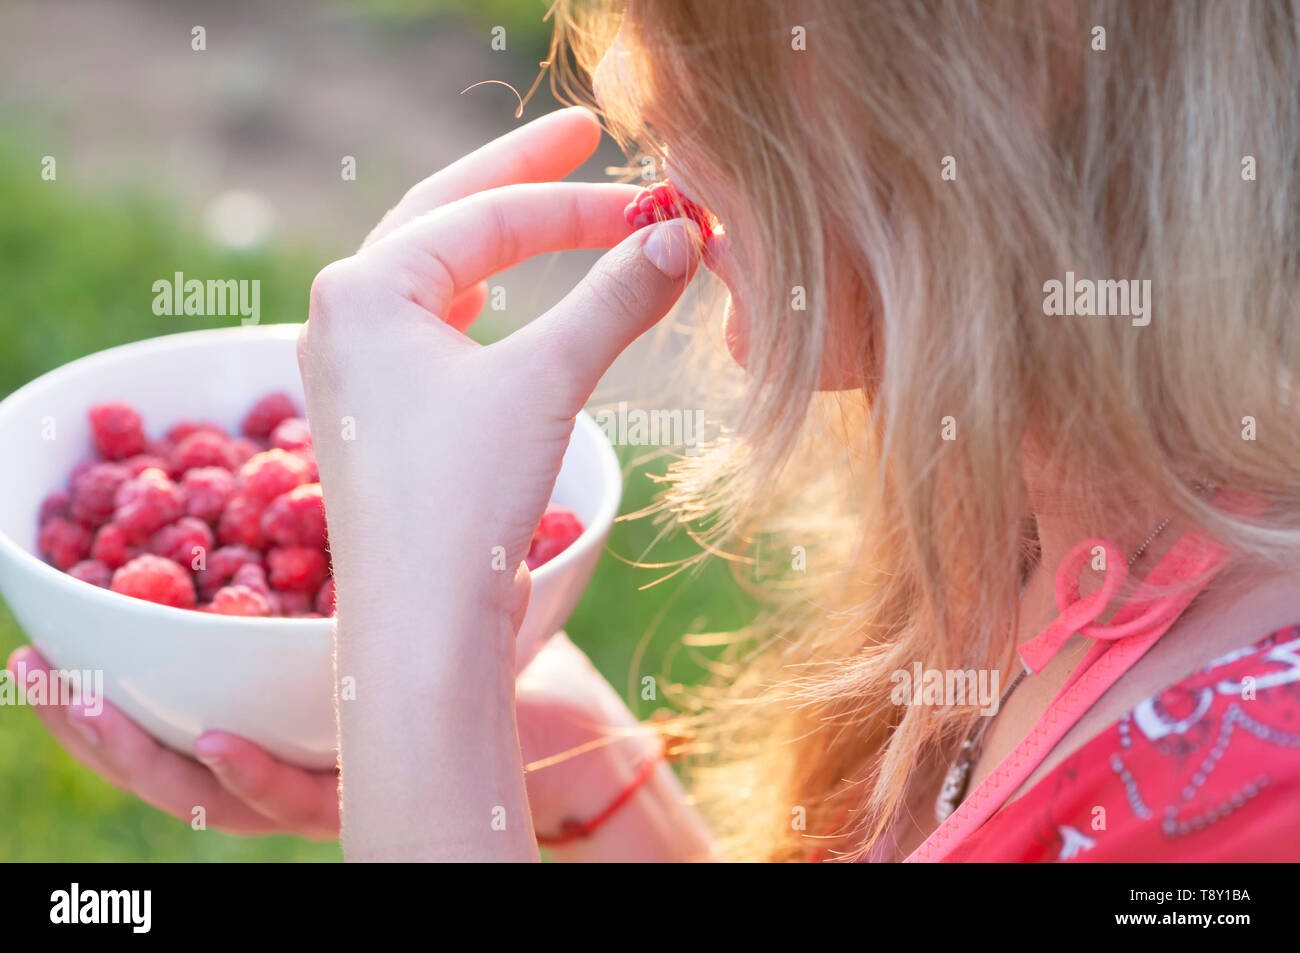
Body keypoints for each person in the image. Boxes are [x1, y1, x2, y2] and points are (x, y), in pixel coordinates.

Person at [12, 0, 1300, 861]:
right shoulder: (1050, 509)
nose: (638, 100)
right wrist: (560, 760)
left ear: (1009, 58)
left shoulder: (1237, 809)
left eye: (705, 39)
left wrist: (420, 651)